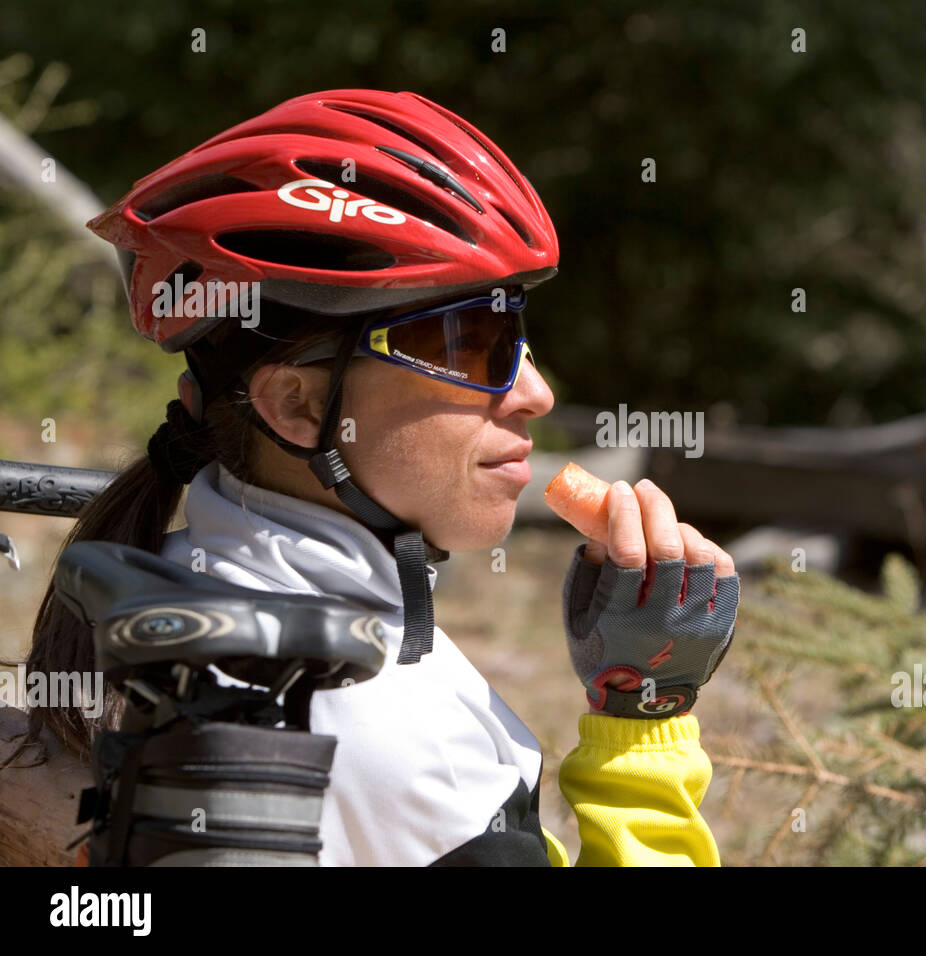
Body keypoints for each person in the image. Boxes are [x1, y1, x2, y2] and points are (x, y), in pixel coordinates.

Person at [17, 89, 740, 866]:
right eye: (471, 343)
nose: (535, 393)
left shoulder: (191, 578)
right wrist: (644, 719)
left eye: (518, 333)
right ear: (296, 405)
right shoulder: (384, 725)